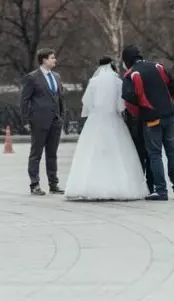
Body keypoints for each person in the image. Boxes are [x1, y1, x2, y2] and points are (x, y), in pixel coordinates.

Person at [64, 57, 149, 200]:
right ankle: (119, 186)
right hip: (113, 120)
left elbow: (87, 103)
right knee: (116, 151)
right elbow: (120, 106)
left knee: (92, 152)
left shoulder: (93, 82)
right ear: (111, 66)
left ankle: (88, 185)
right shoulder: (117, 82)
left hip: (95, 121)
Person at [121, 45, 174, 201]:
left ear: (127, 60)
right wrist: (167, 101)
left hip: (151, 118)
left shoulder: (131, 74)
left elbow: (128, 97)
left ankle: (161, 191)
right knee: (172, 152)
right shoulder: (157, 67)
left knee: (155, 155)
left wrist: (141, 112)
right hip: (169, 115)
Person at [20, 48, 66, 195]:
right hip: (39, 121)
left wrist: (61, 117)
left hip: (55, 121)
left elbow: (60, 98)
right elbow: (24, 100)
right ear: (44, 60)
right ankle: (35, 184)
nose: (55, 60)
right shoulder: (32, 78)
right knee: (36, 153)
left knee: (52, 153)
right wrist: (26, 120)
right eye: (52, 58)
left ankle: (54, 183)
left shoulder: (57, 77)